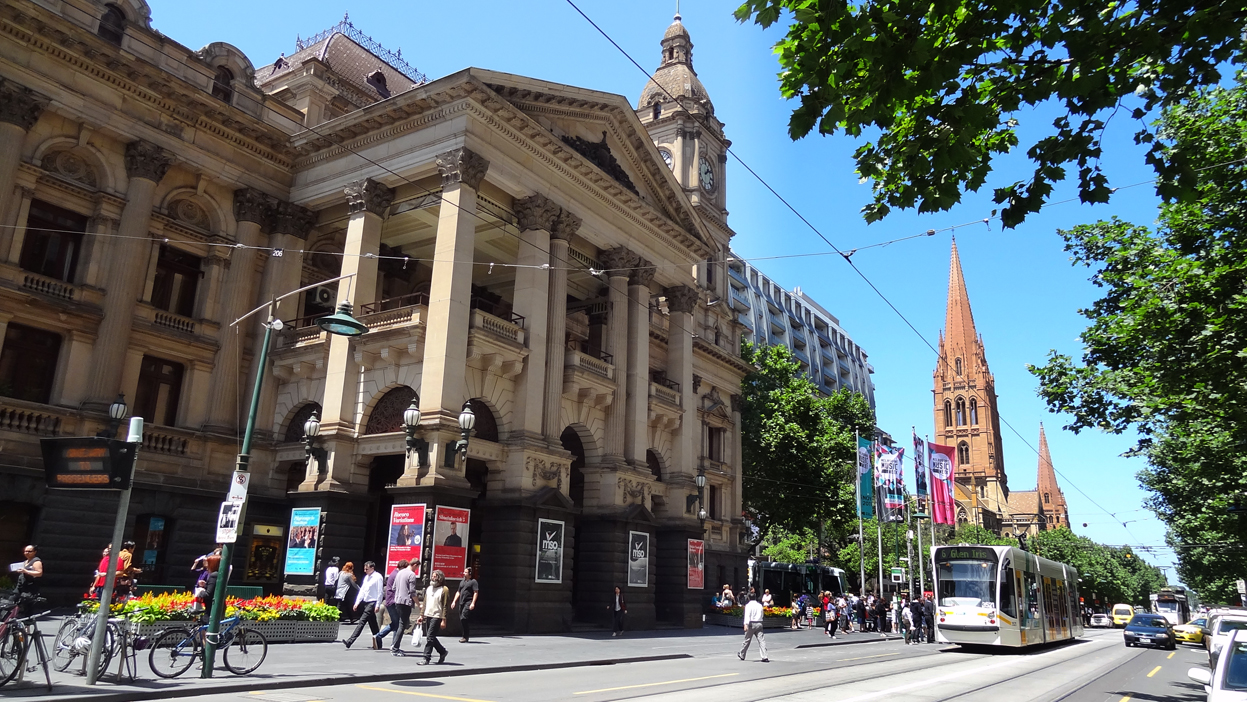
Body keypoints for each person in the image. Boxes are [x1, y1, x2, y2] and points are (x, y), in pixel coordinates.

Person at [343, 561, 383, 649]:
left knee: (362, 621)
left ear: (372, 568)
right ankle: (379, 643)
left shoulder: (378, 577)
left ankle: (350, 641)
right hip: (366, 602)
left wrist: (378, 605)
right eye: (364, 569)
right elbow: (362, 591)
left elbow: (380, 592)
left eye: (367, 569)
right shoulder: (366, 577)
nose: (365, 570)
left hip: (373, 602)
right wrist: (357, 602)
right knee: (373, 625)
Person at [417, 570, 450, 665]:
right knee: (430, 637)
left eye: (435, 576)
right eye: (432, 576)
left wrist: (444, 619)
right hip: (428, 614)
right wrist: (421, 615)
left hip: (437, 615)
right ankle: (442, 651)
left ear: (440, 578)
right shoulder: (429, 589)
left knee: (430, 637)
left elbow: (445, 606)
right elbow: (425, 603)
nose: (433, 578)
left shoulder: (444, 589)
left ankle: (426, 657)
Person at [373, 560, 406, 650]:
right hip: (393, 602)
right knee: (398, 623)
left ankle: (392, 643)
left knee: (396, 623)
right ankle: (386, 640)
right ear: (402, 567)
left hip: (390, 601)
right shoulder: (397, 575)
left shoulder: (394, 573)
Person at [390, 561, 419, 655]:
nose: (417, 569)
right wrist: (418, 604)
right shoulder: (411, 575)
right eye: (417, 567)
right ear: (415, 565)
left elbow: (393, 587)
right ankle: (395, 648)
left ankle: (394, 646)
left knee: (400, 624)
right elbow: (412, 591)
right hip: (406, 602)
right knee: (402, 625)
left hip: (397, 601)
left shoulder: (399, 572)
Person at [450, 566, 478, 643]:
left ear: (470, 573)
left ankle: (465, 636)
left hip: (468, 602)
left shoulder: (473, 582)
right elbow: (458, 592)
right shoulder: (462, 582)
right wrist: (454, 601)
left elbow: (475, 592)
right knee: (462, 619)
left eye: (465, 572)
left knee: (464, 617)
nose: (464, 573)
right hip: (461, 602)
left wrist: (473, 603)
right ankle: (465, 635)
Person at [738, 594, 769, 662]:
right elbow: (762, 614)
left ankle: (742, 654)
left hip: (751, 623)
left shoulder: (748, 605)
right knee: (761, 640)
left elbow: (747, 615)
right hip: (759, 623)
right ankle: (764, 656)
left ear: (749, 598)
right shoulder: (759, 605)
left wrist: (745, 624)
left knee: (747, 639)